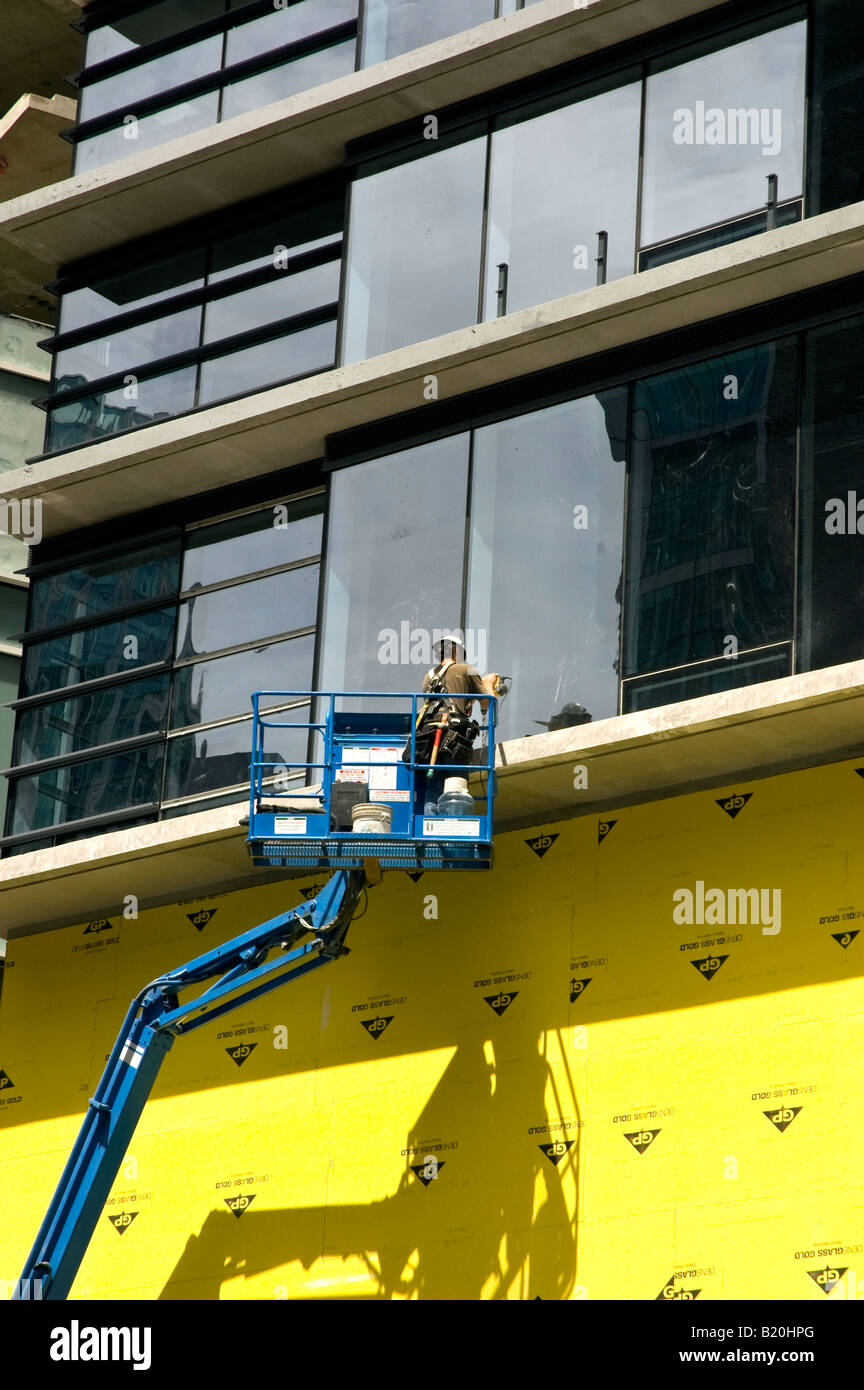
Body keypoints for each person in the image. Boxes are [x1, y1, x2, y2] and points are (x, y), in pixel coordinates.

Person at [406, 632, 498, 815]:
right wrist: (489, 683)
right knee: (456, 783)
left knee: (433, 786)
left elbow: (441, 701)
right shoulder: (467, 670)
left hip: (429, 736)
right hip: (453, 735)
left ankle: (430, 827)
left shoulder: (428, 676)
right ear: (457, 651)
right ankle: (453, 822)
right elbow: (487, 702)